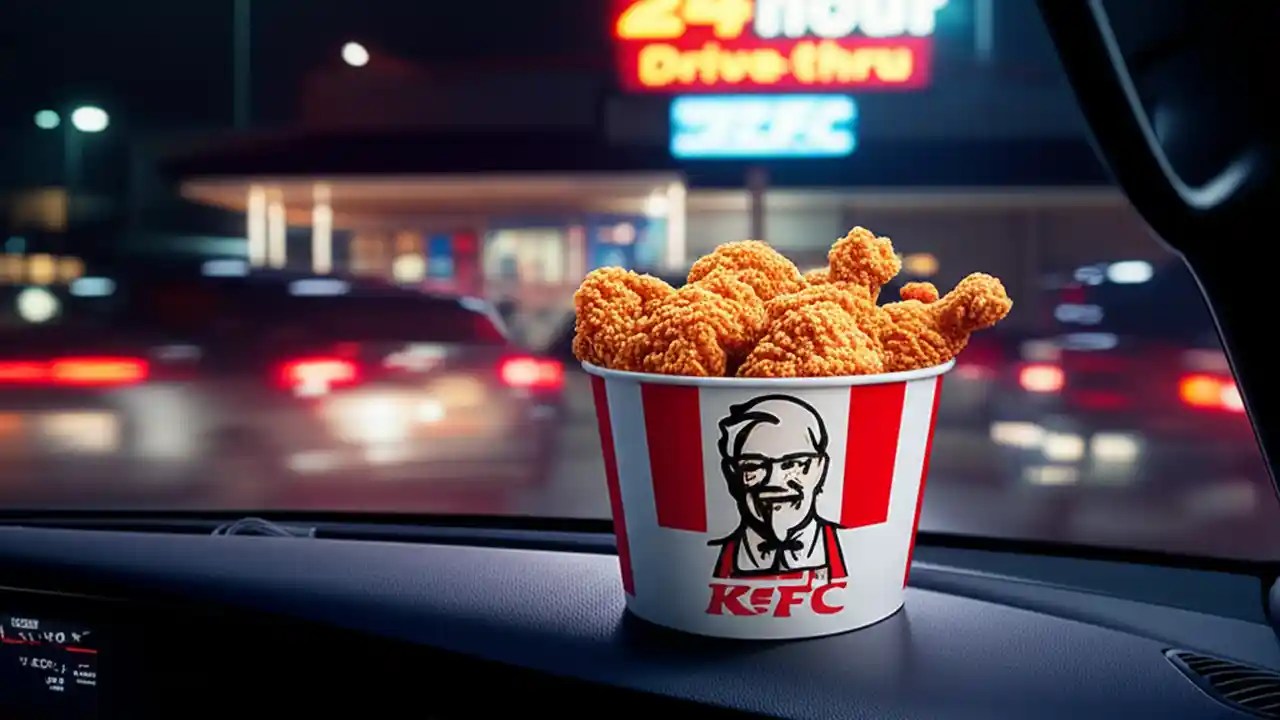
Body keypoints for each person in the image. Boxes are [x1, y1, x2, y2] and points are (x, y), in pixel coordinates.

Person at [710, 395, 847, 581]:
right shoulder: (707, 554)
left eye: (793, 463)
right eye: (753, 465)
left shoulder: (852, 544)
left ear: (820, 469)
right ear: (732, 474)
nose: (774, 481)